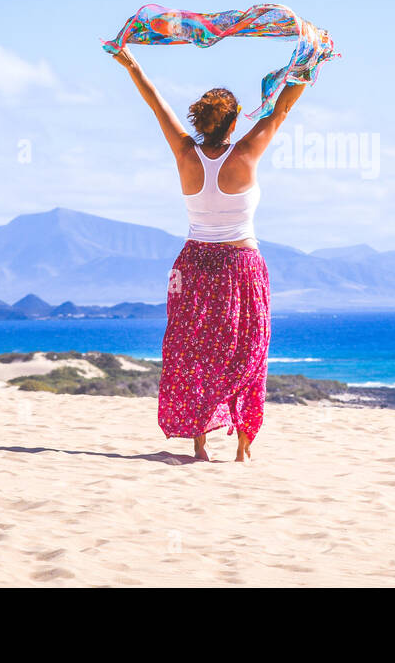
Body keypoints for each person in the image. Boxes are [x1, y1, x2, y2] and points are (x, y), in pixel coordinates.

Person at [112, 45, 307, 461]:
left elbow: (154, 105)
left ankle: (200, 444)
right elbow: (282, 110)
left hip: (195, 264)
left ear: (199, 122)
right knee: (249, 349)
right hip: (240, 265)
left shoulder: (185, 153)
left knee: (195, 350)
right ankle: (242, 446)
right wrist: (311, 63)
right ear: (234, 121)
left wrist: (133, 65)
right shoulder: (245, 153)